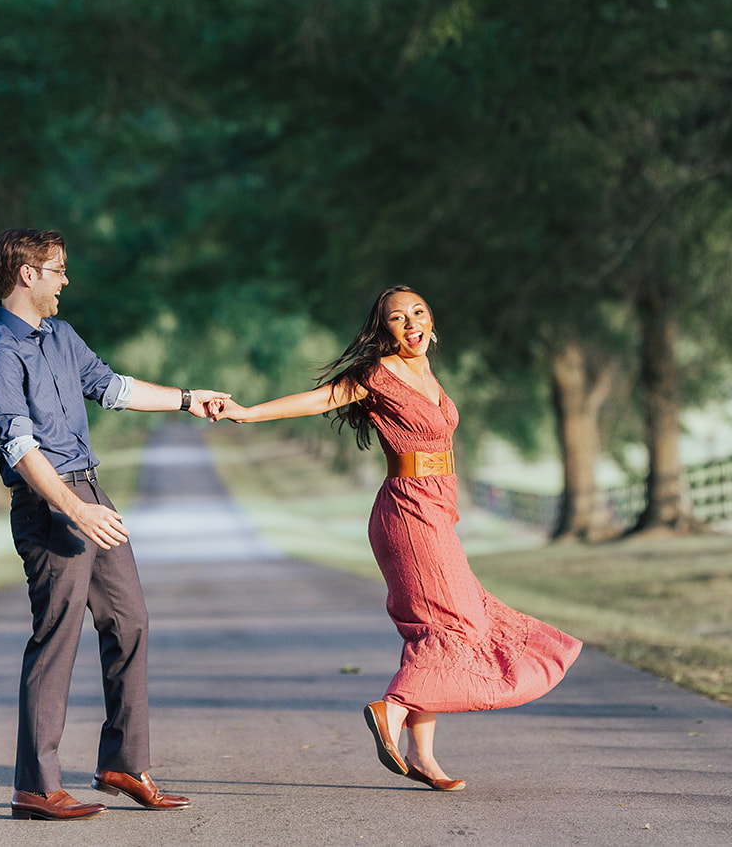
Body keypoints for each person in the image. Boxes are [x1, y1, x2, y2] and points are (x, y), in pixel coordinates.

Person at [214, 285, 581, 791]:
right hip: (408, 512)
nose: (410, 323)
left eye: (418, 313)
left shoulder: (427, 371)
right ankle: (394, 707)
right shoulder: (375, 374)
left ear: (431, 321)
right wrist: (246, 413)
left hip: (436, 508)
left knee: (432, 628)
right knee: (457, 624)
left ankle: (422, 756)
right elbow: (322, 399)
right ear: (382, 328)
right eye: (396, 318)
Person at [0, 228, 228, 821]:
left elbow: (112, 387)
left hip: (90, 493)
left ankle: (123, 763)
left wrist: (189, 399)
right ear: (27, 274)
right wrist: (72, 508)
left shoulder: (59, 335)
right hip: (51, 506)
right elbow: (19, 449)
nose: (65, 280)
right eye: (57, 269)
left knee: (130, 618)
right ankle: (35, 785)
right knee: (57, 638)